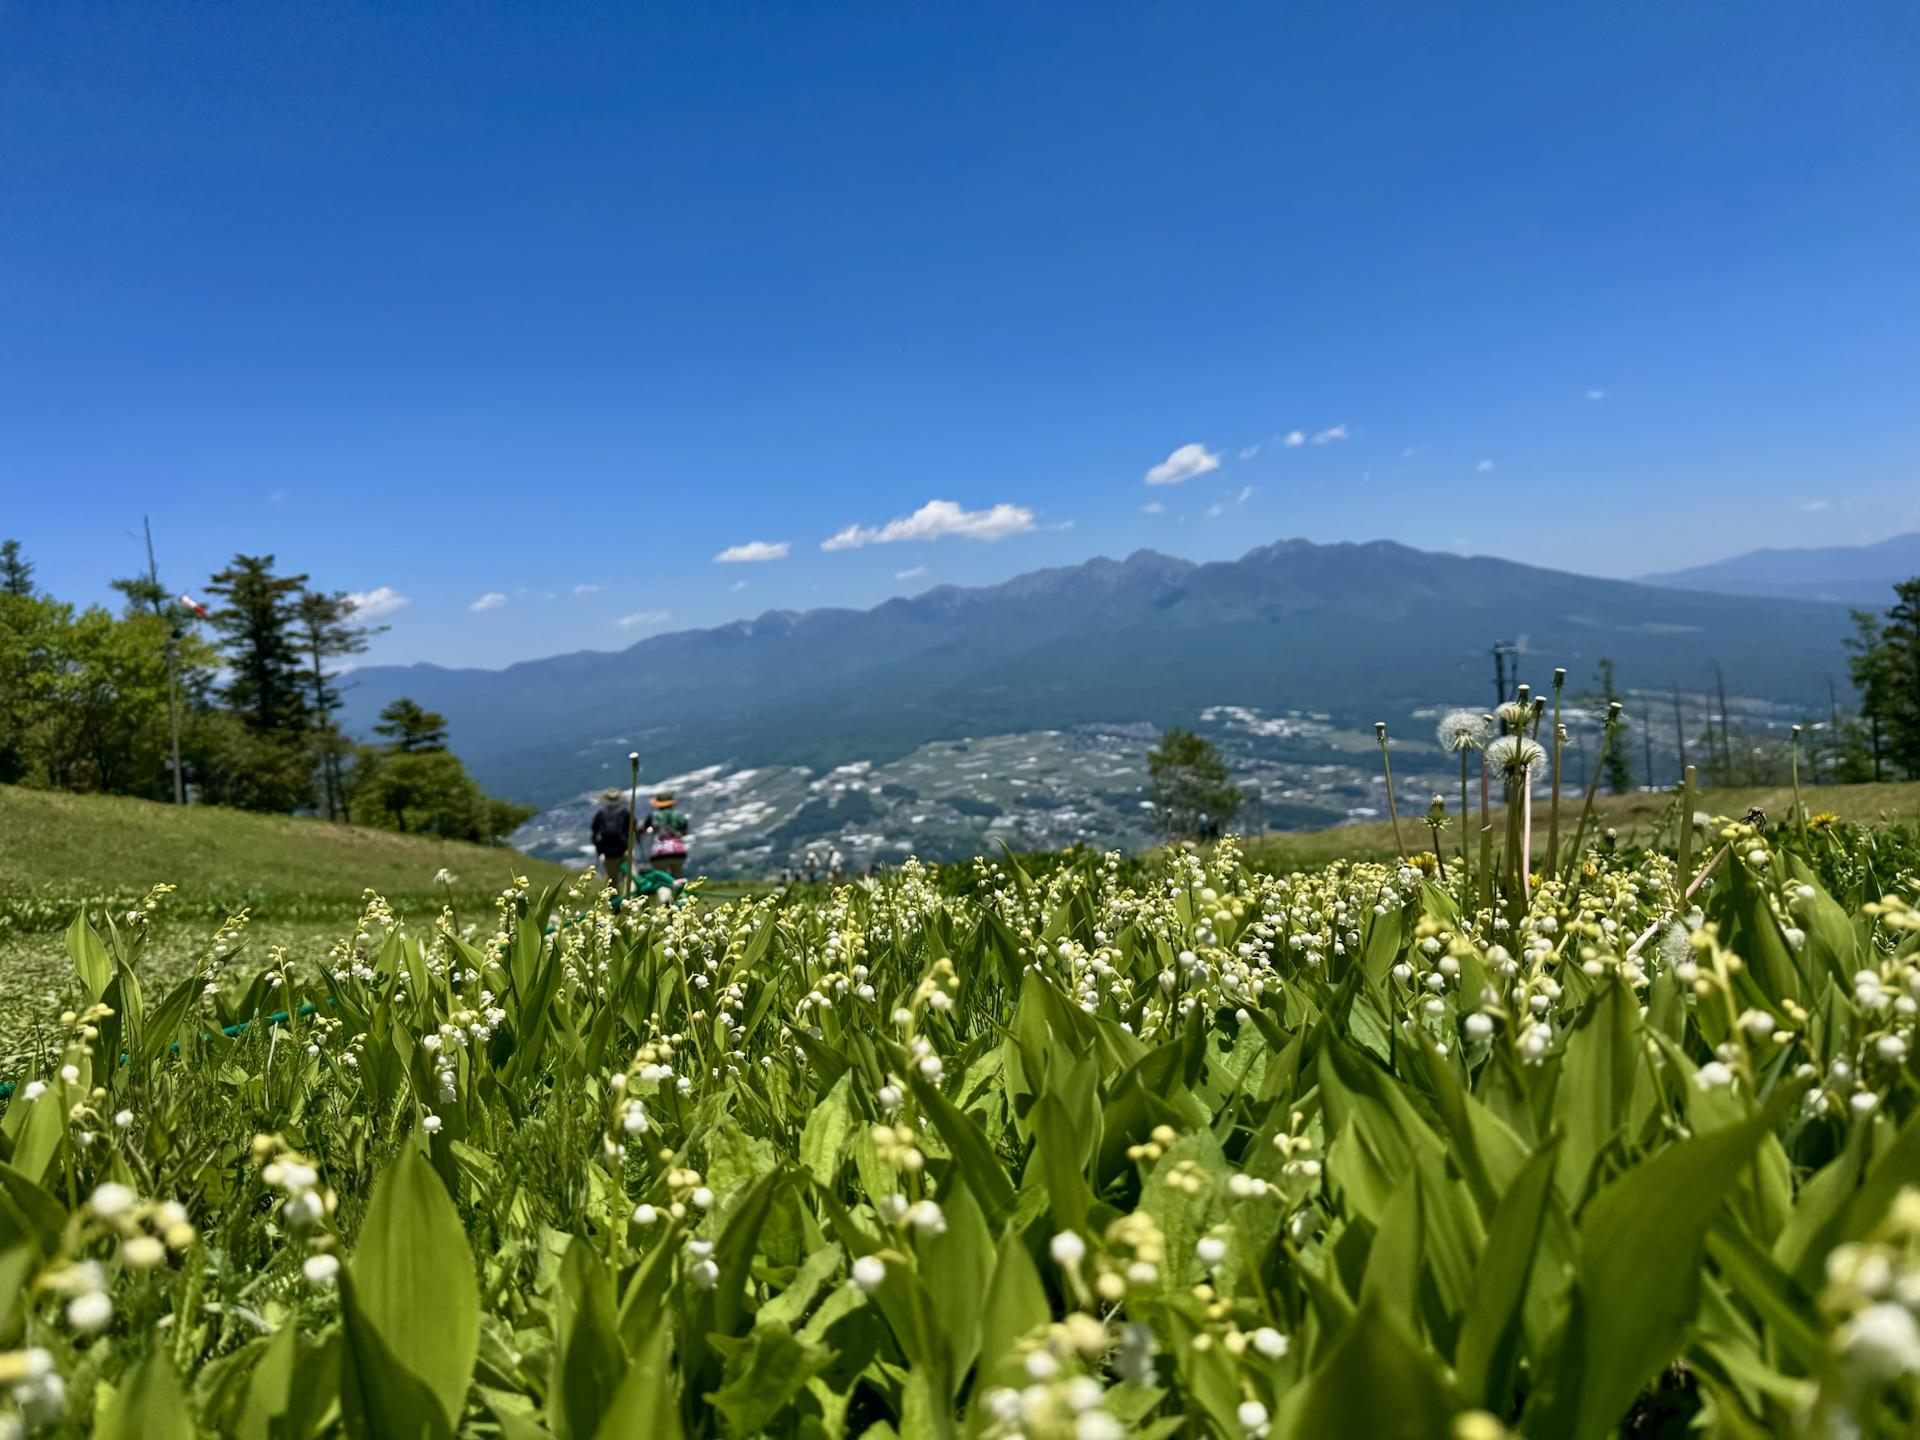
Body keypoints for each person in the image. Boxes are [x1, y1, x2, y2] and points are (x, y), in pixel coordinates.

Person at [643, 791, 690, 878]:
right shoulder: (679, 815)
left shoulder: (653, 816)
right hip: (678, 851)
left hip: (660, 852)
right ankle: (679, 891)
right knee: (678, 878)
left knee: (662, 879)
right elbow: (685, 832)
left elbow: (644, 829)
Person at [589, 788, 631, 886]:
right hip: (623, 848)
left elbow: (594, 830)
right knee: (628, 875)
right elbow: (632, 827)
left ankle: (613, 899)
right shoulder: (625, 812)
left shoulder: (601, 813)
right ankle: (628, 896)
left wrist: (597, 846)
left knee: (612, 878)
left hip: (607, 850)